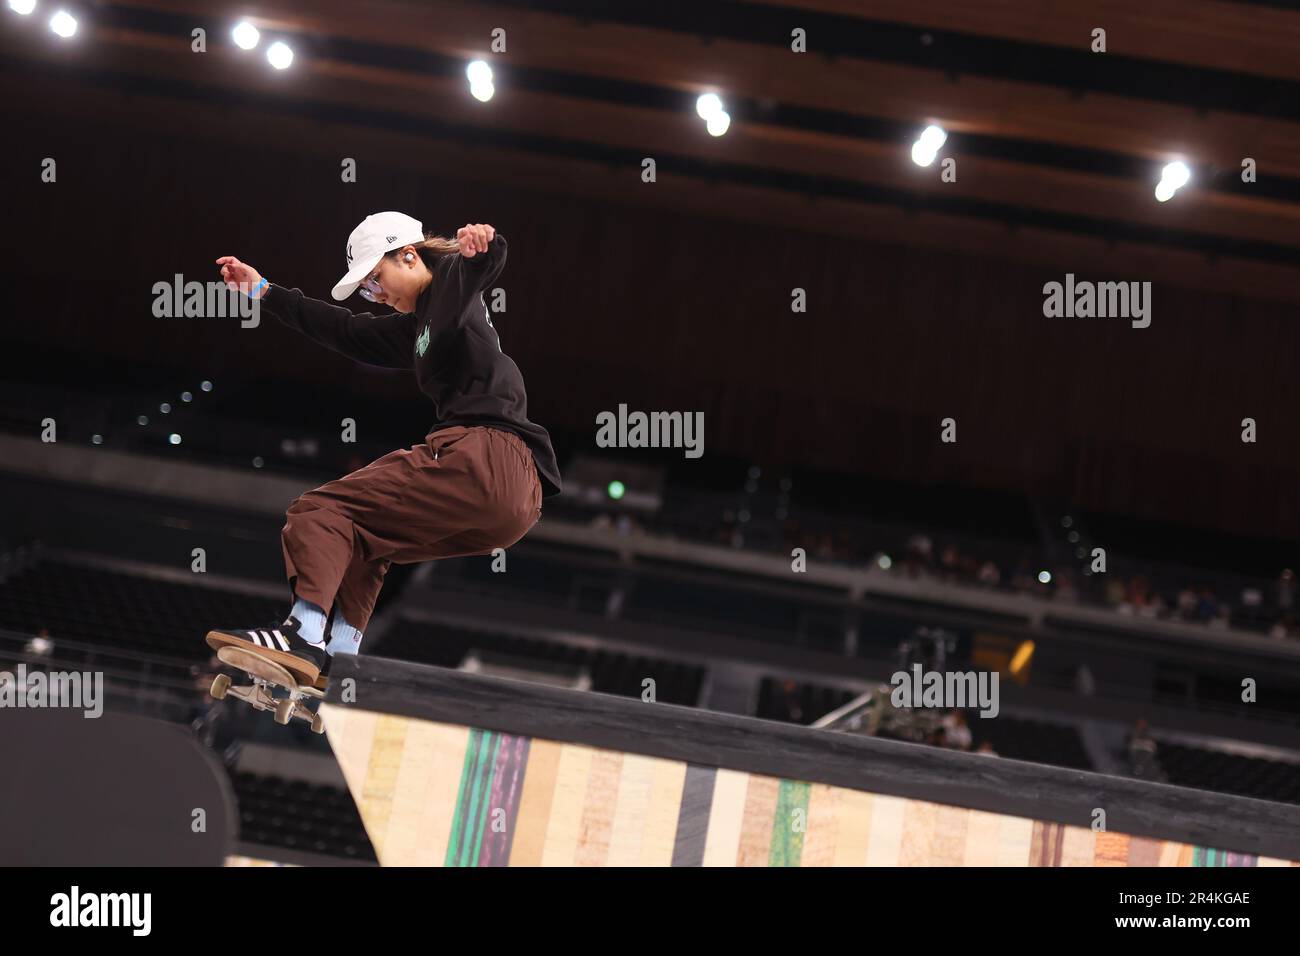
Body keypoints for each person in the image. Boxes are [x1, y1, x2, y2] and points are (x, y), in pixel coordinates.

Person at [205, 212, 562, 687]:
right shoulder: (417, 329)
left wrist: (484, 246)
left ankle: (303, 635)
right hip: (514, 505)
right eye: (368, 289)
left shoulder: (449, 288)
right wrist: (265, 292)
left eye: (377, 279)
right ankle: (340, 659)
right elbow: (344, 331)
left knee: (320, 510)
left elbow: (477, 268)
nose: (377, 295)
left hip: (486, 456)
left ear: (409, 255)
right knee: (368, 542)